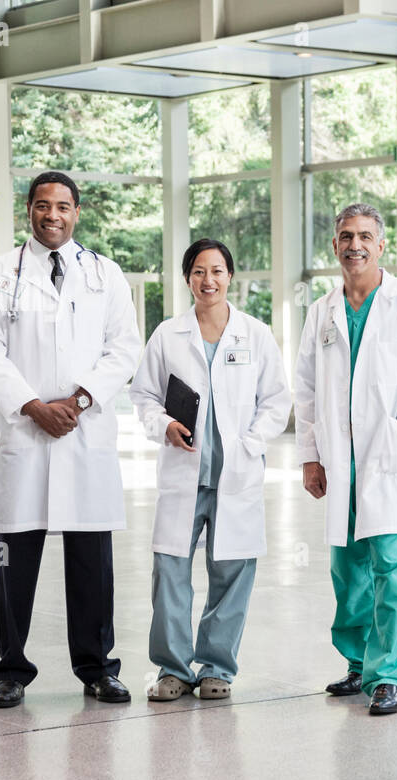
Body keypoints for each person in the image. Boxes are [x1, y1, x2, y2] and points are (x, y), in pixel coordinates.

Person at [0, 171, 142, 708]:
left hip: (83, 434)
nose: (53, 216)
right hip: (26, 434)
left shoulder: (104, 275)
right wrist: (34, 406)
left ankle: (97, 668)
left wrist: (79, 400)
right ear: (29, 210)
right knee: (13, 560)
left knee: (93, 562)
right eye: (43, 206)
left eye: (63, 206)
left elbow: (124, 348)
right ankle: (10, 672)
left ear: (77, 212)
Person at [294, 203, 397, 716]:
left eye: (365, 236)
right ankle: (358, 663)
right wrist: (310, 457)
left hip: (388, 457)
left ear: (381, 245)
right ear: (335, 245)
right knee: (347, 569)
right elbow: (306, 388)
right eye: (346, 236)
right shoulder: (322, 310)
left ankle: (389, 675)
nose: (354, 245)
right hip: (339, 460)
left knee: (390, 563)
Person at [129, 239, 291, 701]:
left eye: (217, 271)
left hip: (235, 475)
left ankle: (217, 666)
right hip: (185, 473)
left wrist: (249, 443)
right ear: (187, 279)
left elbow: (277, 399)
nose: (209, 280)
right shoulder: (167, 335)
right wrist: (163, 425)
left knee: (232, 574)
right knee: (170, 572)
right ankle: (173, 669)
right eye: (199, 272)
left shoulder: (255, 334)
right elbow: (142, 396)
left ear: (230, 277)